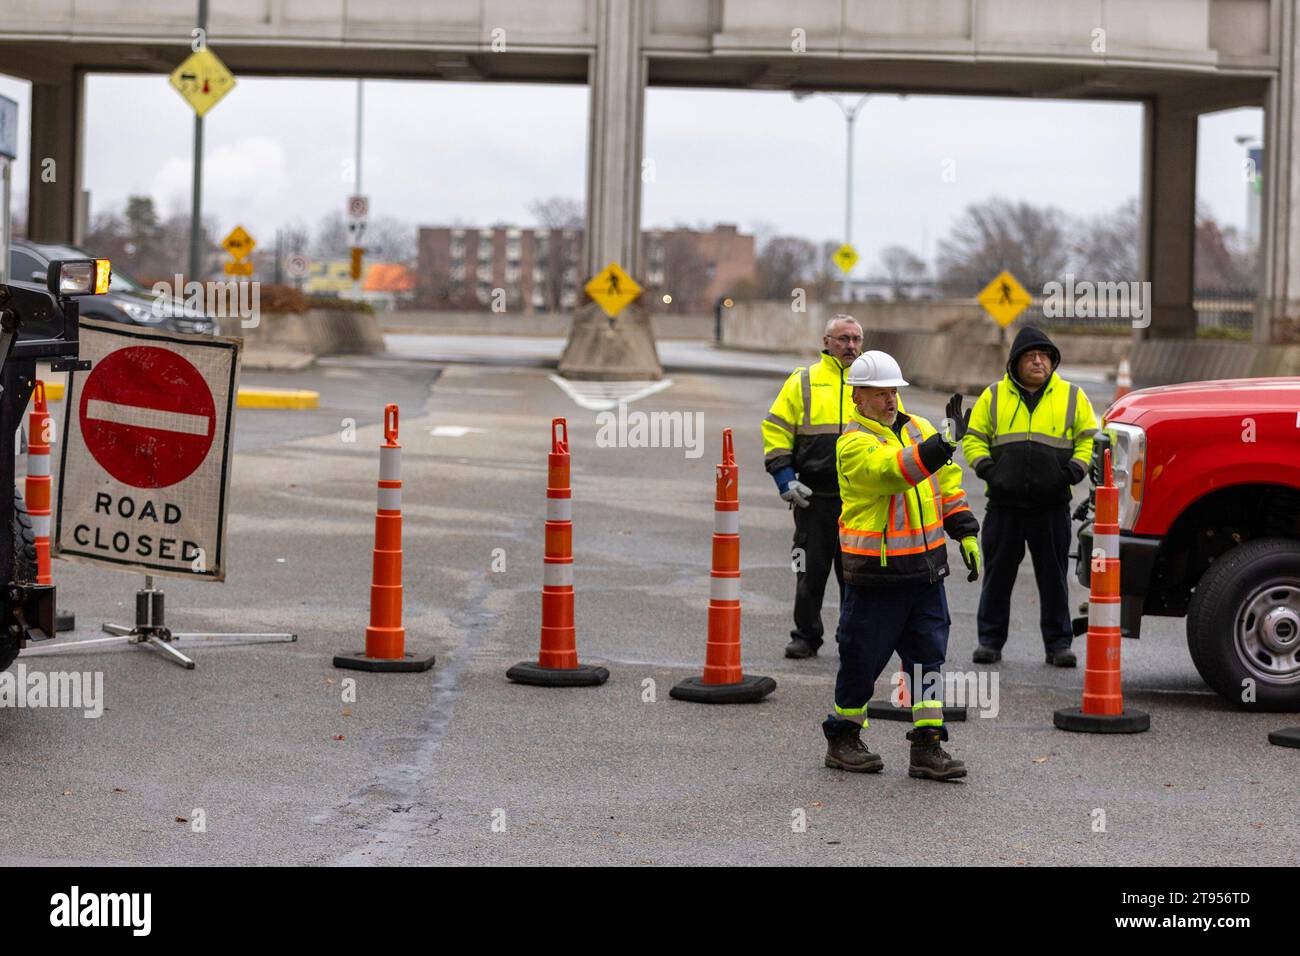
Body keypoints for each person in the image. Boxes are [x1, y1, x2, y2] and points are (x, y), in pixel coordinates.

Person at [821, 350, 981, 781]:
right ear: (858, 398)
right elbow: (894, 472)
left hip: (925, 571)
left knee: (928, 658)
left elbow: (945, 481)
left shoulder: (919, 429)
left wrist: (963, 528)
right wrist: (941, 445)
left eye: (893, 391)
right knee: (861, 658)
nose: (890, 400)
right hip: (877, 573)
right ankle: (843, 737)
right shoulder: (853, 443)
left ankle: (928, 746)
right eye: (879, 393)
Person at [960, 325, 1098, 667]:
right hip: (1004, 507)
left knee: (1053, 580)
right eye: (1030, 356)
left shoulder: (1072, 396)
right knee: (997, 577)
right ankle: (989, 642)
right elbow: (973, 439)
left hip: (1052, 507)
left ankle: (1058, 645)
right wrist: (991, 472)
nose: (1039, 361)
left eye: (1045, 356)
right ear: (1015, 363)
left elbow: (1090, 439)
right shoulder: (993, 396)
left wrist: (1073, 473)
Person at [762, 315, 864, 659]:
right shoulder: (803, 381)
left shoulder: (872, 381)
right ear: (826, 341)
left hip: (859, 499)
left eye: (856, 339)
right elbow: (775, 429)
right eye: (843, 338)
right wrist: (784, 478)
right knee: (808, 569)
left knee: (857, 575)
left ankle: (854, 639)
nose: (851, 345)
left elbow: (896, 433)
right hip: (813, 499)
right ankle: (805, 636)